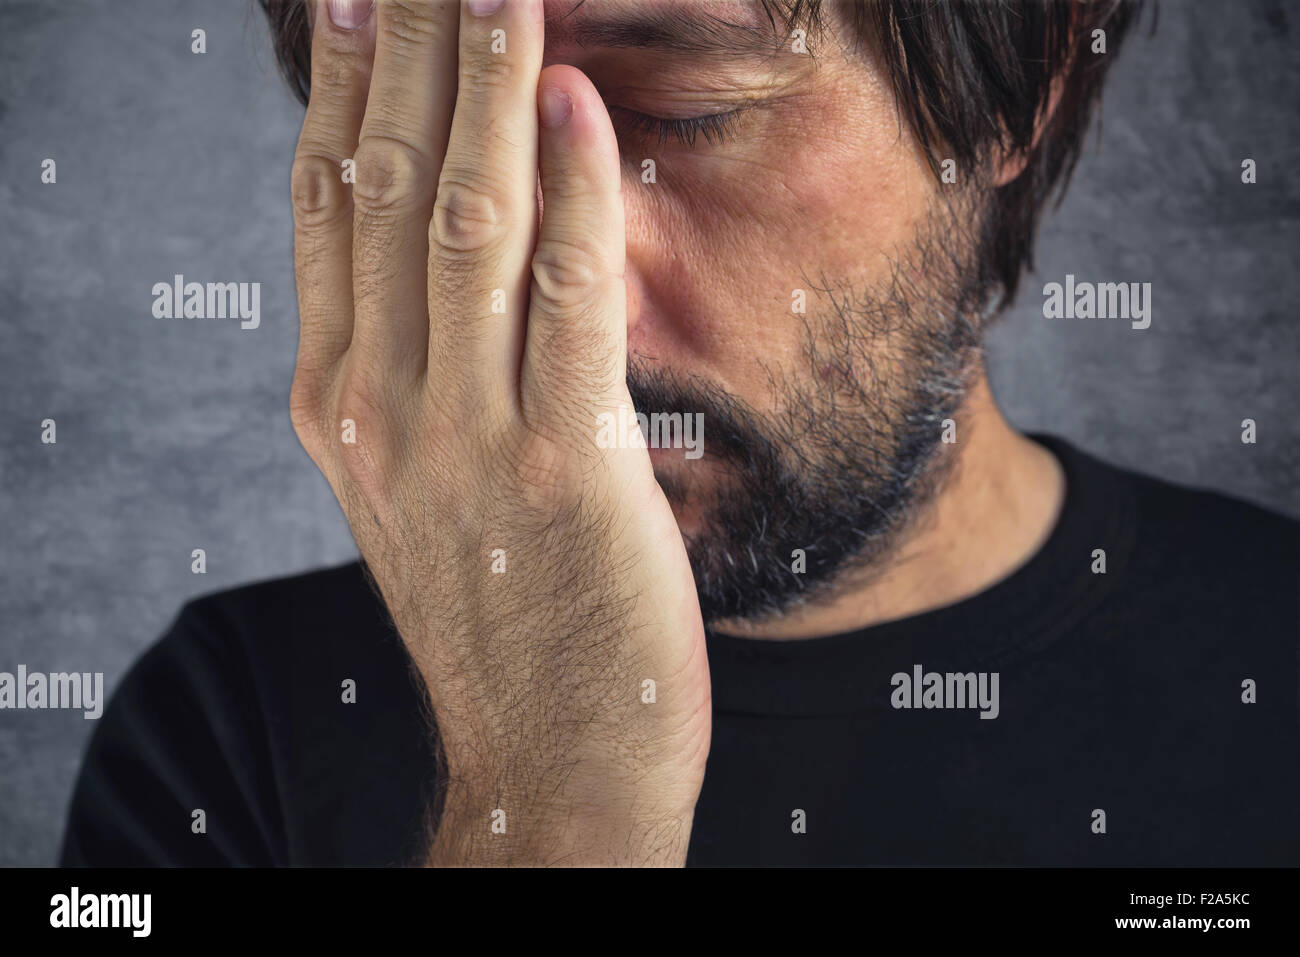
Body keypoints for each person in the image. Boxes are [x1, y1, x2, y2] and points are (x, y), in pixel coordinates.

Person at [61, 0, 1300, 867]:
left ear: (1019, 87)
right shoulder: (220, 739)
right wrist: (556, 807)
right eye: (441, 141)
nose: (557, 292)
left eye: (679, 109)